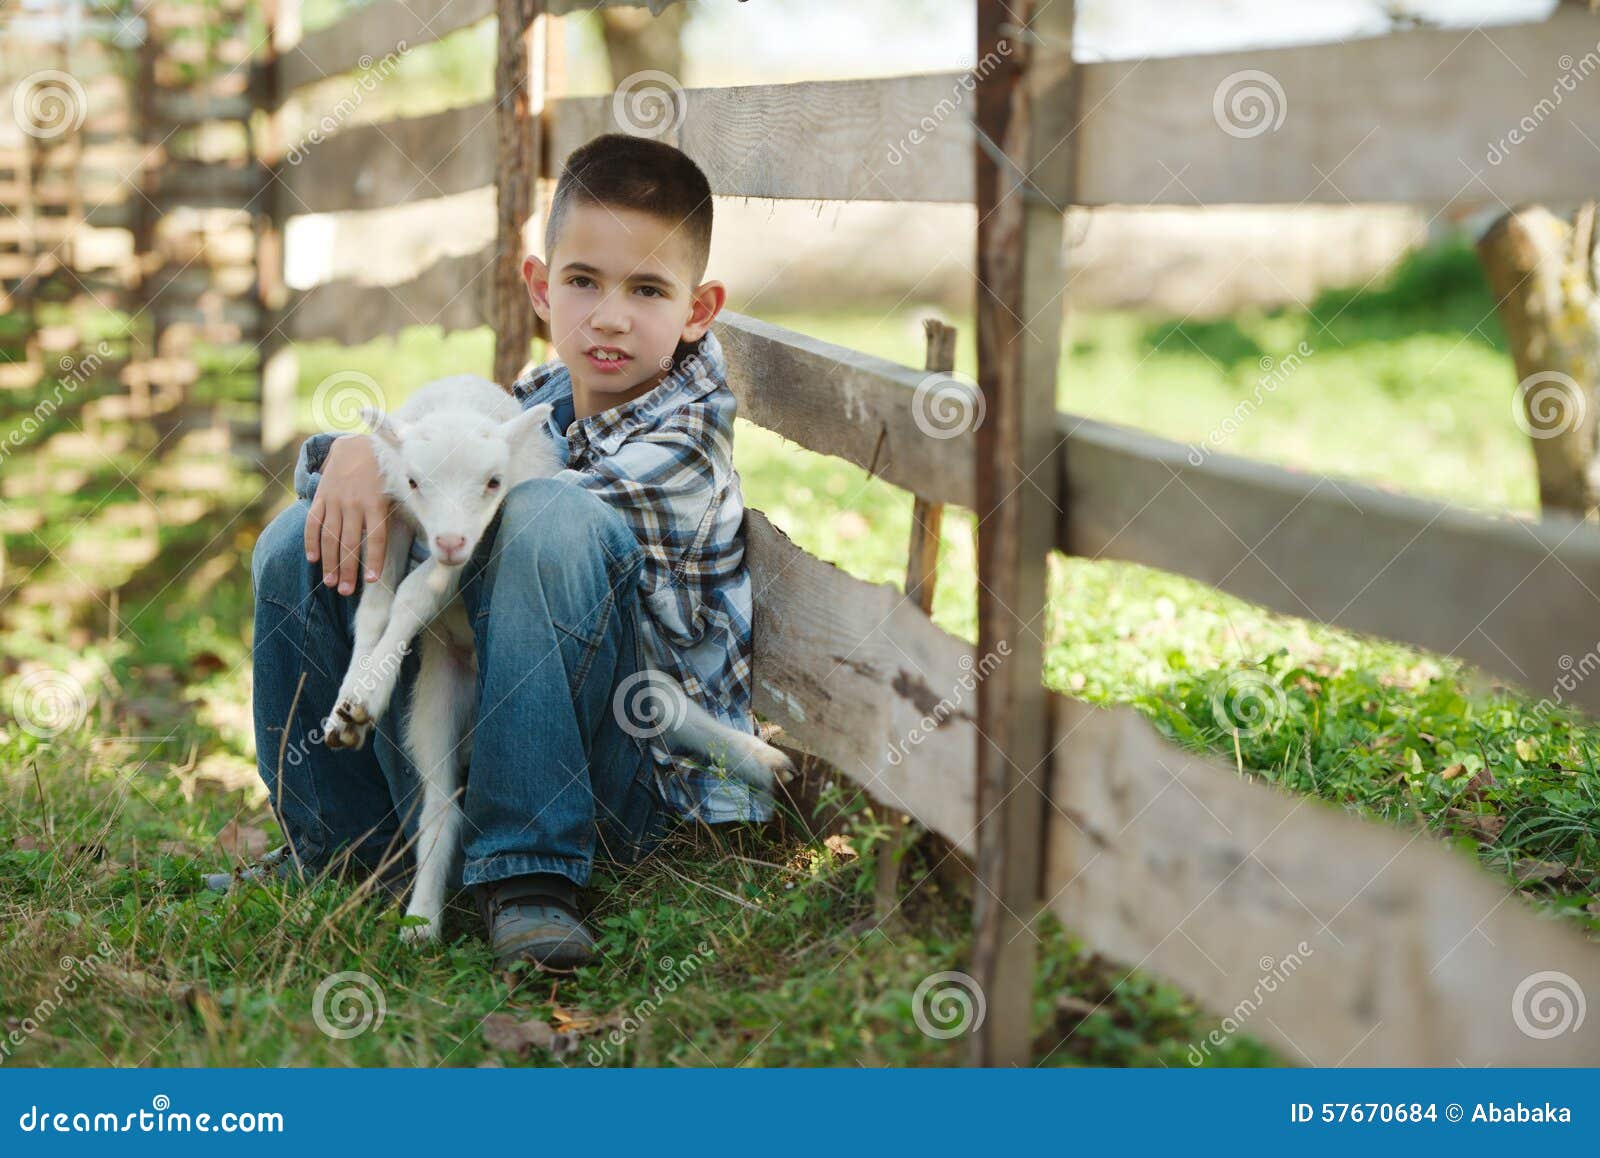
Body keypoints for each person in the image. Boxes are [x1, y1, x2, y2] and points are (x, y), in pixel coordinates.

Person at [243, 133, 770, 971]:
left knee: (540, 516)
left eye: (647, 290)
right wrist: (354, 453)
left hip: (620, 780)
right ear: (540, 285)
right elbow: (438, 477)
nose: (609, 316)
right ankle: (343, 850)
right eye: (583, 281)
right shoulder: (538, 395)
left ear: (698, 310)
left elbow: (498, 530)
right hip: (481, 730)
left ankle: (530, 876)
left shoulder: (685, 436)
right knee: (295, 543)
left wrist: (400, 476)